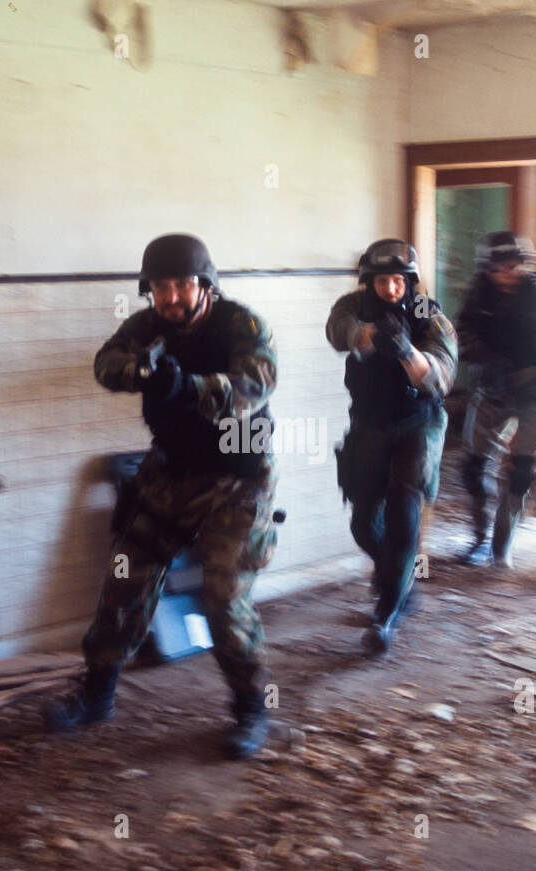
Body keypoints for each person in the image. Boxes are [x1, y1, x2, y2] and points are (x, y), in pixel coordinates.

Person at [43, 233, 279, 760]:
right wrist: (142, 371)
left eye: (182, 285)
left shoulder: (242, 325)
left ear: (204, 285)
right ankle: (97, 692)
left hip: (239, 479)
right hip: (170, 476)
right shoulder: (147, 326)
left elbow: (254, 387)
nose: (171, 297)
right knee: (123, 582)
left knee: (224, 598)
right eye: (161, 287)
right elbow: (107, 363)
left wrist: (187, 386)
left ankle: (250, 708)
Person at [325, 239, 457, 655]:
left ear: (410, 282)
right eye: (382, 280)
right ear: (369, 281)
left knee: (404, 515)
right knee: (364, 525)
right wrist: (366, 335)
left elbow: (441, 378)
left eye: (398, 281)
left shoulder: (426, 314)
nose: (391, 289)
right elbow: (337, 331)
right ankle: (398, 583)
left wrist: (406, 352)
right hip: (370, 423)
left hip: (417, 423)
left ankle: (384, 616)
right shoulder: (354, 305)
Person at [456, 231, 536, 567]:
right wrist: (489, 363)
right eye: (498, 268)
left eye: (513, 267)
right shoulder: (480, 293)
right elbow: (462, 334)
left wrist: (525, 377)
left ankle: (501, 547)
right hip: (493, 387)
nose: (506, 274)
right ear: (487, 269)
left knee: (521, 471)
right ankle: (479, 539)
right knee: (472, 468)